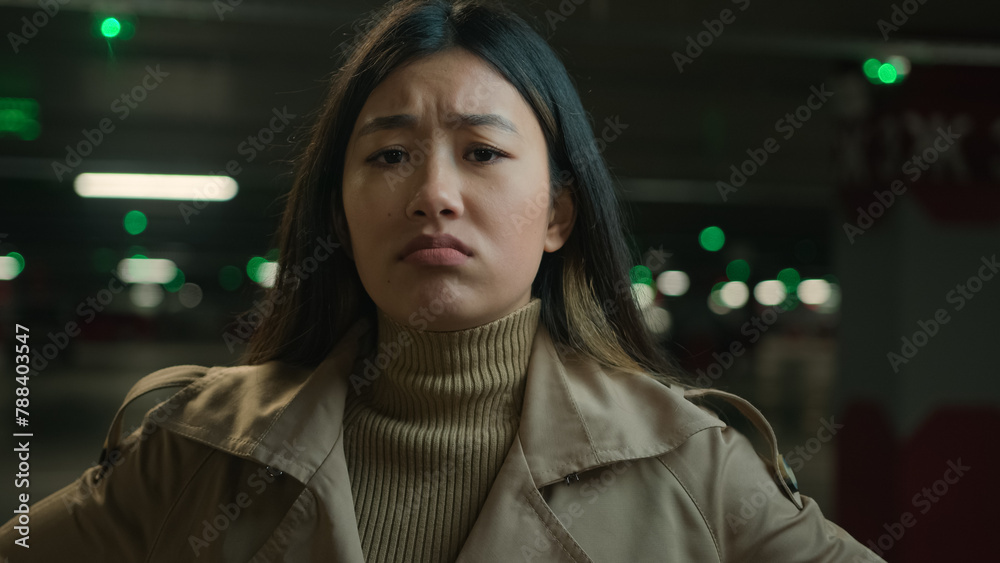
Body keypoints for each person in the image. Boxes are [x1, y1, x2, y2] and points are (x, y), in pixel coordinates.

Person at [1, 0, 884, 561]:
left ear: (557, 216)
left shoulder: (693, 465)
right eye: (389, 154)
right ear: (339, 209)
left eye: (483, 152)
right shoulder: (196, 449)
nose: (433, 194)